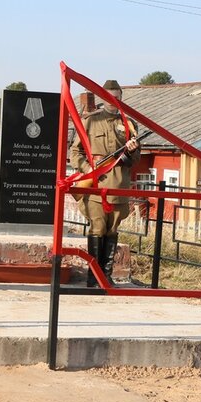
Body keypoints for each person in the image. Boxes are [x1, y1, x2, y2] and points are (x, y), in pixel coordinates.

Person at [69, 79, 140, 287]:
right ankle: (94, 277)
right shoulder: (90, 121)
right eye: (109, 97)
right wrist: (88, 169)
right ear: (102, 98)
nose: (112, 101)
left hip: (118, 185)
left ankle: (106, 277)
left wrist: (132, 150)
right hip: (95, 186)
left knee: (111, 231)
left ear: (121, 98)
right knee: (97, 228)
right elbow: (75, 152)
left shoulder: (129, 124)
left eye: (116, 97)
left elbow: (135, 160)